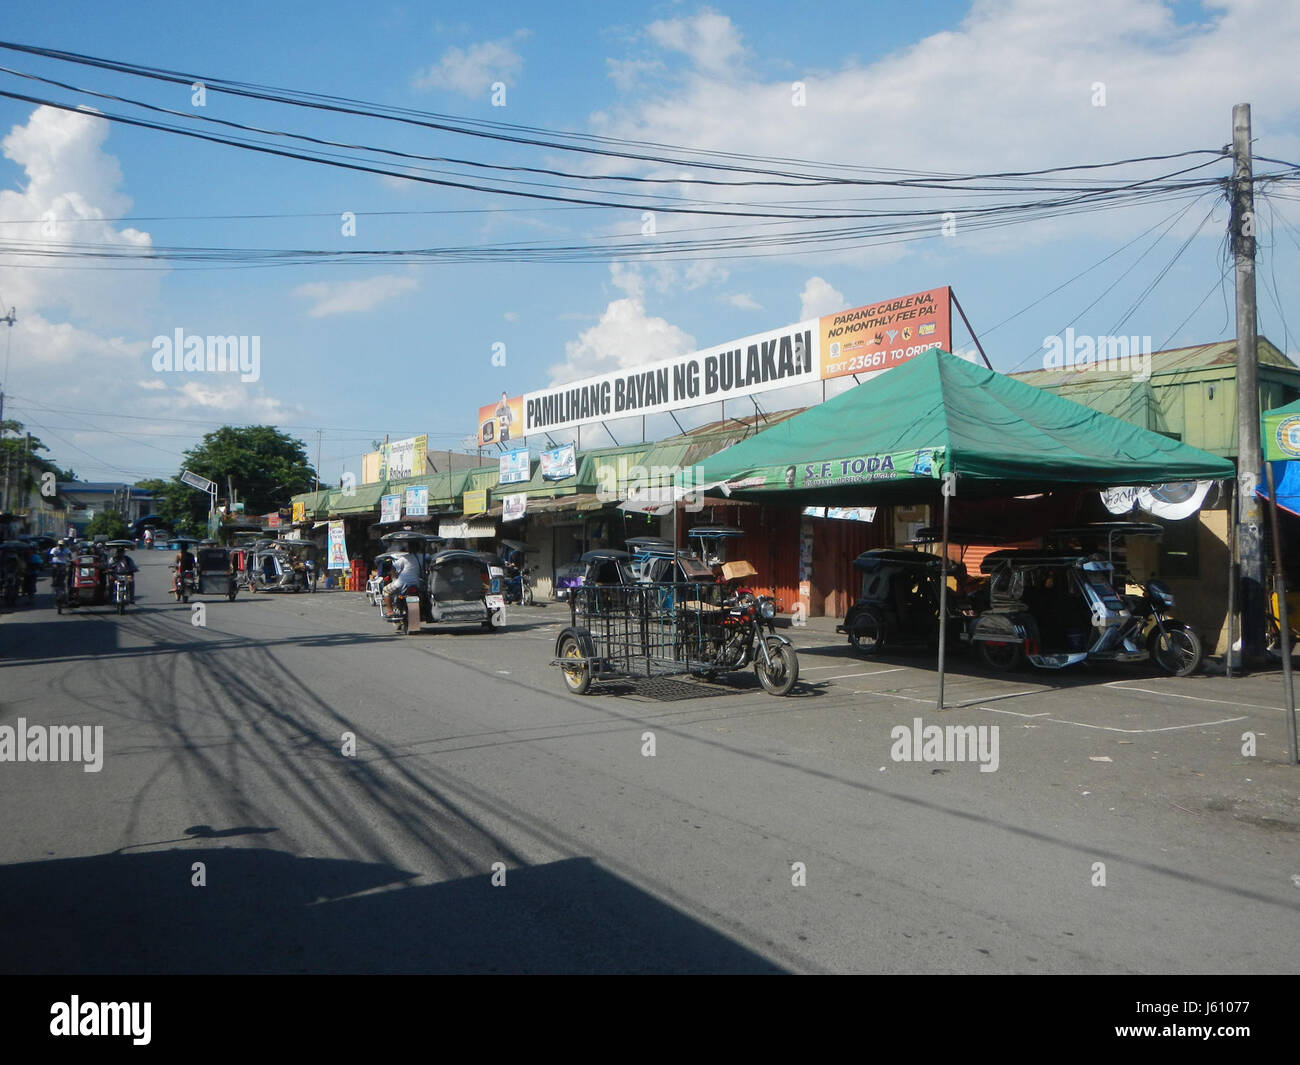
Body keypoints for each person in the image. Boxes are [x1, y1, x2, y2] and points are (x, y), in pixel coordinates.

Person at [382, 548, 423, 615]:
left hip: (402, 582)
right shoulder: (423, 557)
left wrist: (394, 577)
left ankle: (390, 611)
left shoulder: (405, 558)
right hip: (416, 583)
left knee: (385, 591)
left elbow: (394, 567)